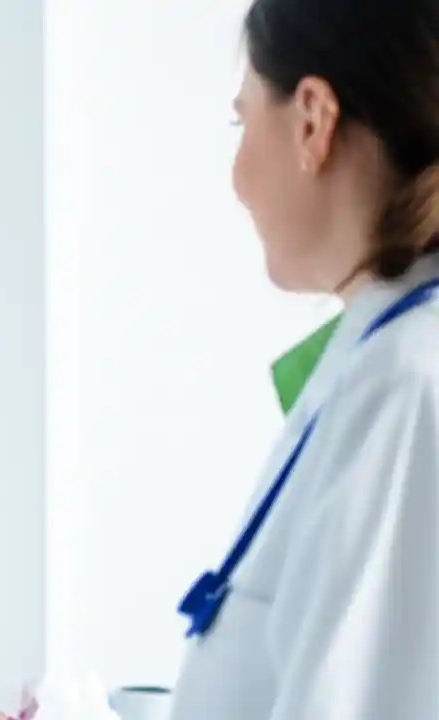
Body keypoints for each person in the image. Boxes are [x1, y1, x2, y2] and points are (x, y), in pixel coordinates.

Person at [171, 0, 439, 717]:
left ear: (313, 120)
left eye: (242, 119)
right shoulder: (384, 359)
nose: (235, 176)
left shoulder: (407, 385)